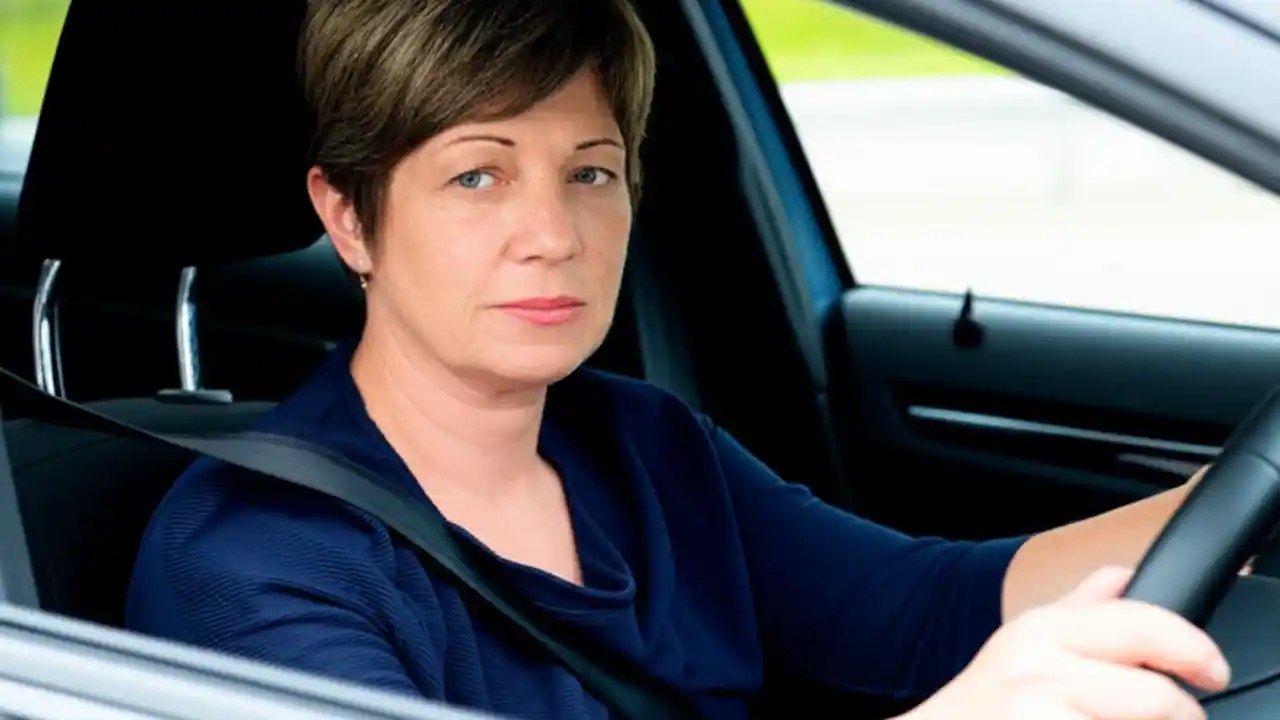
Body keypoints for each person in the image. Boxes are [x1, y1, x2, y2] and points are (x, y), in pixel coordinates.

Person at [125, 1, 1232, 718]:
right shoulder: (252, 560)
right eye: (477, 176)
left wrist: (1232, 500)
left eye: (589, 172)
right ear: (351, 218)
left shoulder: (641, 444)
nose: (551, 233)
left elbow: (923, 607)